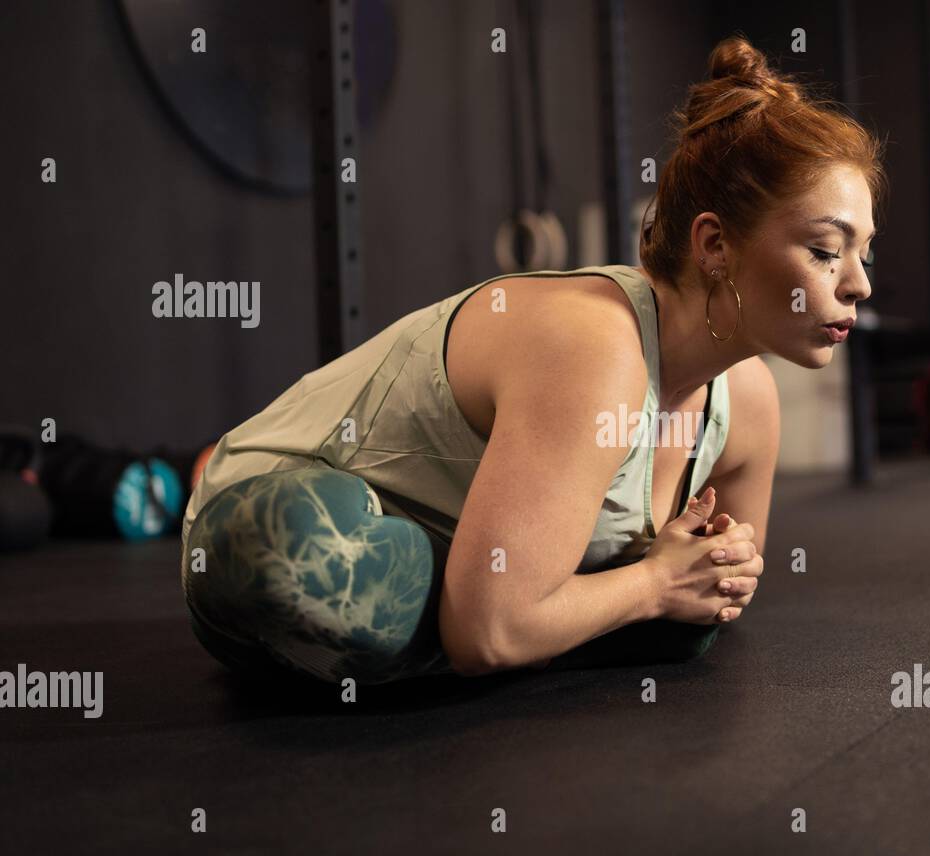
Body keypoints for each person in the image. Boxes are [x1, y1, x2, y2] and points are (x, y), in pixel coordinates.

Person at [180, 34, 884, 685]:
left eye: (863, 253)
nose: (859, 283)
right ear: (713, 245)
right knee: (317, 556)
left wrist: (708, 576)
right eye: (825, 251)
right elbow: (487, 633)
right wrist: (652, 585)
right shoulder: (596, 345)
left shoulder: (748, 403)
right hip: (273, 512)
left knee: (648, 629)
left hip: (452, 582)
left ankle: (521, 599)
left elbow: (719, 594)